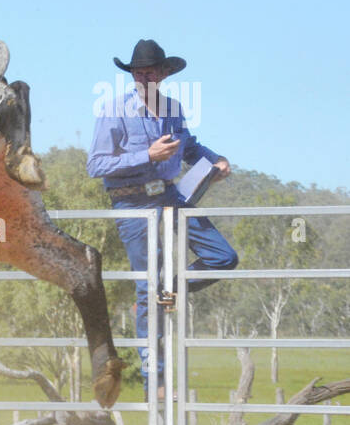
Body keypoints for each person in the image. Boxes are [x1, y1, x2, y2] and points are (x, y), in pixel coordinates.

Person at [87, 39, 239, 392]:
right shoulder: (113, 110)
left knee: (223, 257)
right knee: (146, 287)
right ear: (132, 74)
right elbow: (96, 165)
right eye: (137, 72)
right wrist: (147, 157)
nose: (143, 77)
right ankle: (153, 376)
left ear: (164, 74)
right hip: (131, 203)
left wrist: (216, 159)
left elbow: (189, 145)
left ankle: (172, 285)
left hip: (170, 195)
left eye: (150, 71)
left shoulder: (173, 108)